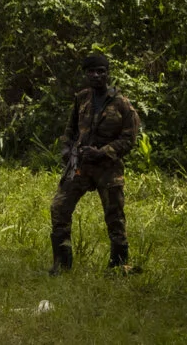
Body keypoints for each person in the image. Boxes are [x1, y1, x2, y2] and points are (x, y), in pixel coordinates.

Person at [51, 52, 141, 273]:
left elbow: (129, 139)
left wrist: (102, 152)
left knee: (115, 216)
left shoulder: (122, 104)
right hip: (81, 166)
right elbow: (70, 129)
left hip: (108, 168)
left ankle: (118, 265)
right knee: (59, 207)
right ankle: (62, 264)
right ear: (86, 74)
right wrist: (67, 150)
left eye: (100, 71)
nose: (96, 76)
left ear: (107, 73)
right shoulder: (82, 98)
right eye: (91, 72)